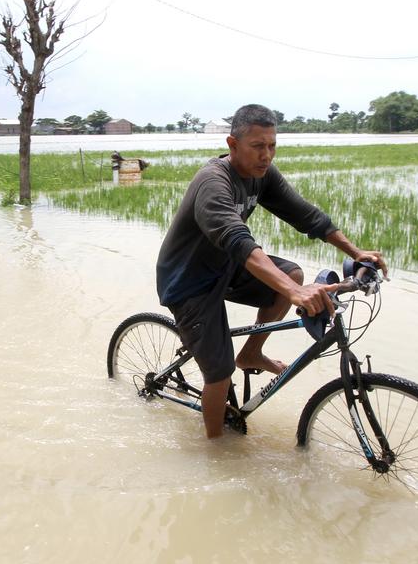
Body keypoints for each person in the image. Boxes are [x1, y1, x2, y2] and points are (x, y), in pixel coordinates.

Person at [155, 104, 387, 439]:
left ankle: (250, 353)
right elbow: (238, 241)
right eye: (258, 146)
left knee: (291, 275)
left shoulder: (261, 176)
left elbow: (306, 215)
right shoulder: (213, 183)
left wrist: (356, 252)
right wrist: (296, 294)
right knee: (219, 375)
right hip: (189, 280)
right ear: (233, 145)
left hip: (224, 266)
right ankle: (216, 449)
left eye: (272, 145)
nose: (267, 155)